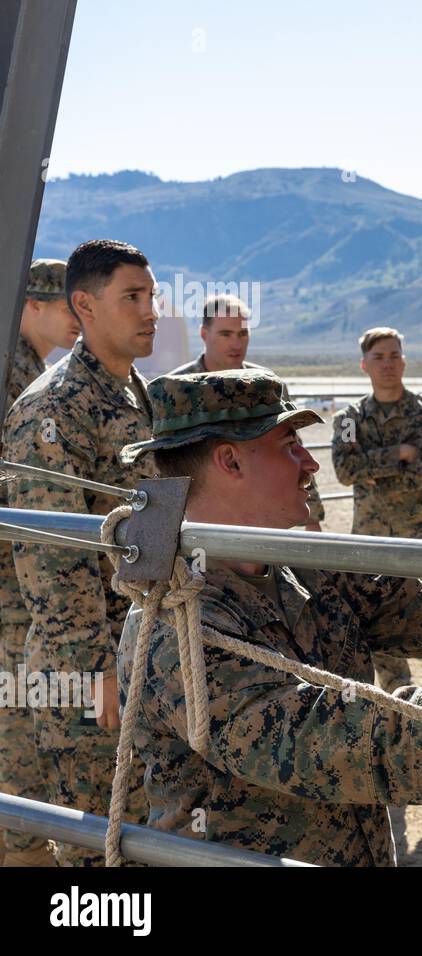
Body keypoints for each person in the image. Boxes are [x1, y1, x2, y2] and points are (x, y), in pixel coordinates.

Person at [117, 369, 422, 866]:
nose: (311, 464)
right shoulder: (176, 624)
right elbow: (312, 740)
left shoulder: (304, 568)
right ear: (230, 459)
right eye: (289, 445)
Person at [3, 240, 156, 865]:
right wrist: (98, 675)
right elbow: (53, 567)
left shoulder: (134, 394)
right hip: (89, 676)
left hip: (139, 654)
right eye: (132, 297)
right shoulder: (55, 409)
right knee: (100, 850)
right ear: (85, 306)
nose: (150, 313)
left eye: (152, 297)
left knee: (142, 836)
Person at [0, 259, 80, 867]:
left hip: (22, 585)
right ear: (31, 305)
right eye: (65, 308)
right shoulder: (16, 378)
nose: (77, 321)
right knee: (19, 721)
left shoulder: (30, 372)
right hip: (11, 588)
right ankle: (23, 848)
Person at [331, 327, 422, 692]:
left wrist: (372, 468)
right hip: (373, 543)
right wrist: (399, 454)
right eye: (379, 357)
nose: (388, 364)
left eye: (394, 355)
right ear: (364, 365)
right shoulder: (350, 419)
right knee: (379, 628)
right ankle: (399, 700)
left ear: (404, 360)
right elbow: (345, 472)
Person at [166, 294, 324, 531]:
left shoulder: (266, 385)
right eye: (226, 334)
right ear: (203, 334)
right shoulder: (178, 388)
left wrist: (312, 518)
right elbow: (166, 461)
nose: (236, 344)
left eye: (243, 334)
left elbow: (293, 448)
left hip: (262, 510)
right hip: (198, 515)